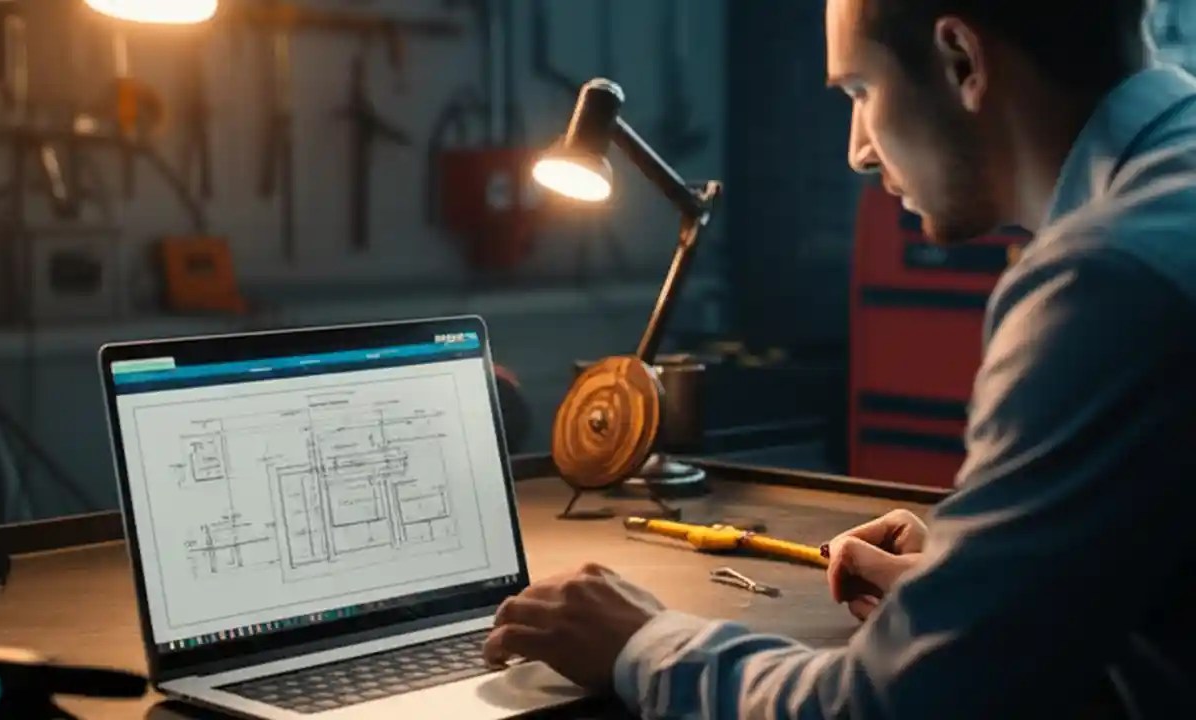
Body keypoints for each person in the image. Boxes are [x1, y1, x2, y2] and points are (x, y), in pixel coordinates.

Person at [483, 0, 1196, 717]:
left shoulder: (1105, 281)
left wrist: (643, 642)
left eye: (860, 91)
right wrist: (986, 578)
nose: (856, 149)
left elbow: (888, 706)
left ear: (961, 63)